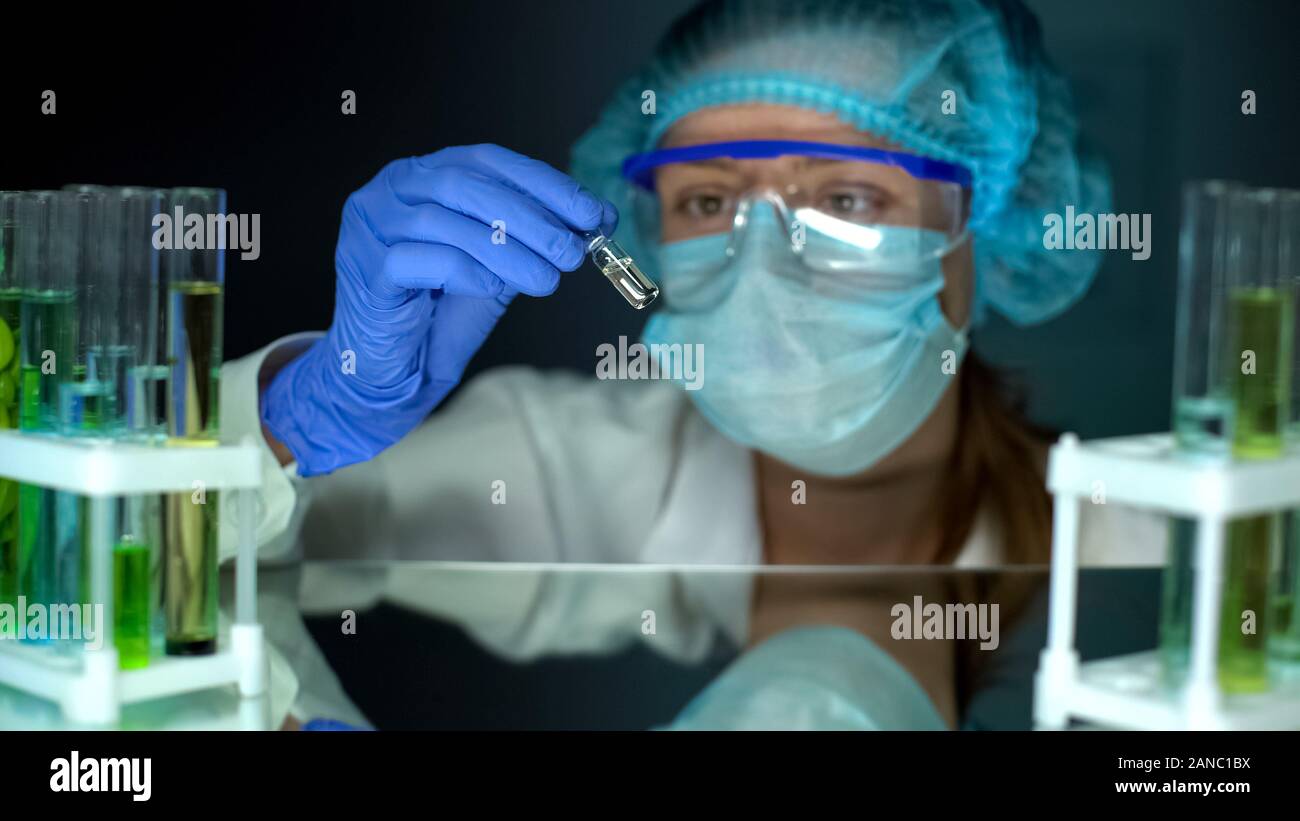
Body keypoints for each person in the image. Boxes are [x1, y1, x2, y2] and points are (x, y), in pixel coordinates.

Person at [216, 0, 1164, 726]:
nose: (763, 261)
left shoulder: (1157, 536)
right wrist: (293, 423)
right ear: (646, 231)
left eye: (846, 196)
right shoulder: (564, 463)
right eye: (707, 203)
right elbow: (118, 573)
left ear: (979, 236)